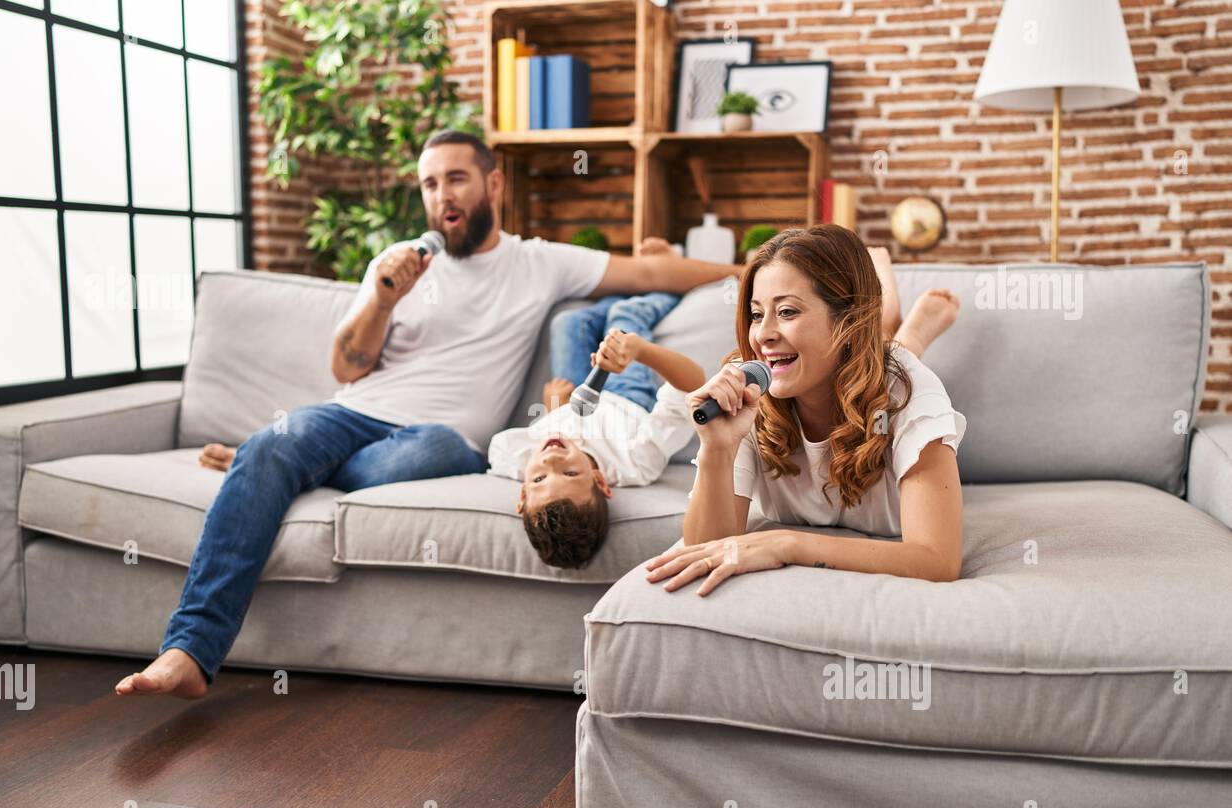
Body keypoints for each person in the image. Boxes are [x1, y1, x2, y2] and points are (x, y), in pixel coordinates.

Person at [115, 129, 742, 699]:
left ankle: (269, 467)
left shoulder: (537, 261)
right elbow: (346, 367)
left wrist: (750, 269)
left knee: (397, 453)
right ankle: (190, 650)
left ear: (493, 184)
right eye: (430, 183)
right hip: (358, 413)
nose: (443, 194)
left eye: (457, 178)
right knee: (285, 438)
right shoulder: (397, 265)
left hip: (445, 439)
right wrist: (382, 301)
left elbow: (651, 270)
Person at [645, 224, 966, 596]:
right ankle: (889, 322)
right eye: (755, 314)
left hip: (882, 375)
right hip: (857, 353)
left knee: (892, 361)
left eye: (786, 311)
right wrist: (717, 448)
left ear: (848, 319)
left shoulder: (914, 395)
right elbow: (707, 547)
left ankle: (904, 328)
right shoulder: (745, 390)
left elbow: (938, 561)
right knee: (873, 358)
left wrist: (788, 544)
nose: (762, 335)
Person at [486, 272, 705, 568]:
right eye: (571, 474)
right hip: (623, 392)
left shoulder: (509, 455)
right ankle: (673, 284)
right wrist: (639, 349)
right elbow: (692, 386)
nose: (551, 461)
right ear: (601, 481)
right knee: (623, 318)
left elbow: (520, 445)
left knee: (567, 322)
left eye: (539, 478)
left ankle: (621, 290)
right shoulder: (636, 462)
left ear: (523, 493)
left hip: (576, 396)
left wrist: (553, 409)